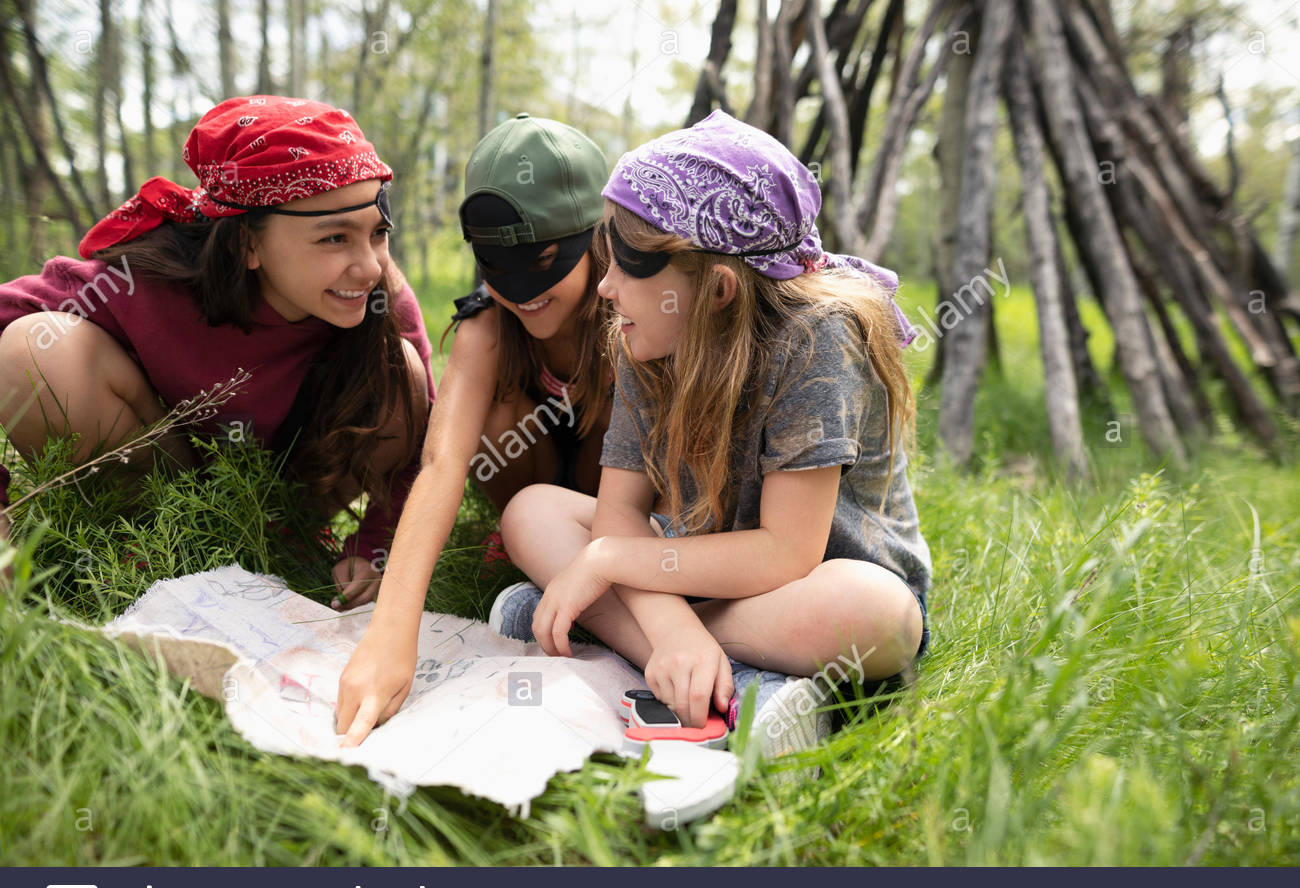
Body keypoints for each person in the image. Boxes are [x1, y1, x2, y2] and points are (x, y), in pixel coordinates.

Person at [495, 110, 933, 757]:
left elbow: (788, 553)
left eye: (626, 268)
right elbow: (618, 512)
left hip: (810, 585)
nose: (606, 288)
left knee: (881, 617)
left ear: (718, 290)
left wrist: (611, 565)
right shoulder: (644, 342)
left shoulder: (818, 338)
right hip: (695, 567)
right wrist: (670, 625)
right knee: (532, 511)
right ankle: (727, 675)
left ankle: (603, 628)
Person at [0, 95, 433, 607]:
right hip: (158, 482)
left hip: (283, 496)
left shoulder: (381, 296)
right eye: (335, 238)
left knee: (401, 372)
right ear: (245, 244)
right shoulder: (143, 279)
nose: (368, 267)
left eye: (378, 234)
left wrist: (376, 545)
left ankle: (282, 551)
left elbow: (431, 438)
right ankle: (146, 556)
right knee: (34, 351)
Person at [333, 114, 613, 745]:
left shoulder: (634, 315)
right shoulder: (492, 327)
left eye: (545, 262)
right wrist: (390, 634)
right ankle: (527, 545)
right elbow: (442, 464)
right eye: (498, 266)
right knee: (488, 408)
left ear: (597, 240)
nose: (524, 292)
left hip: (619, 492)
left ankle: (582, 566)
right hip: (531, 485)